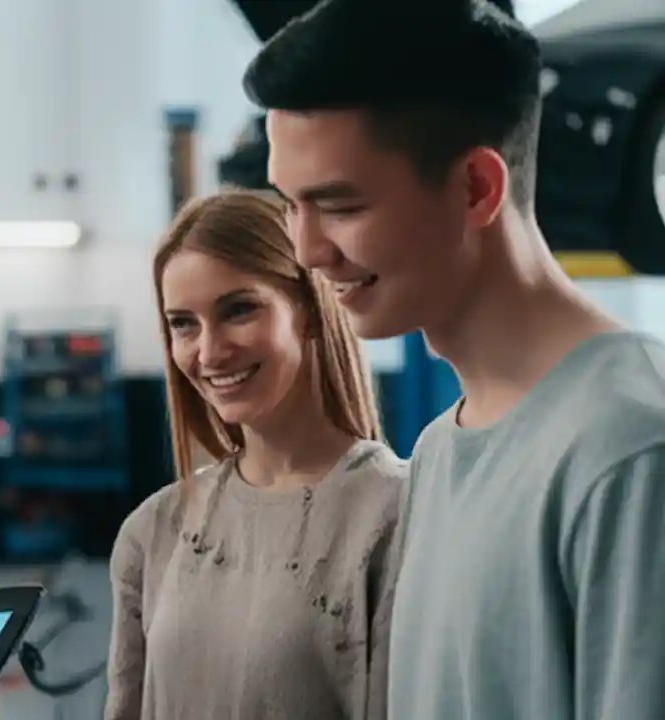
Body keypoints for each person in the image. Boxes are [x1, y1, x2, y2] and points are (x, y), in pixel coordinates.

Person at [244, 0, 665, 718]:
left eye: (339, 206)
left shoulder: (629, 451)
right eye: (291, 205)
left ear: (476, 188)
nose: (308, 250)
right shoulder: (441, 449)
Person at [105, 189, 406, 719]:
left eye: (239, 309)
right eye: (183, 324)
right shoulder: (153, 531)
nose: (209, 351)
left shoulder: (396, 515)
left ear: (312, 310)